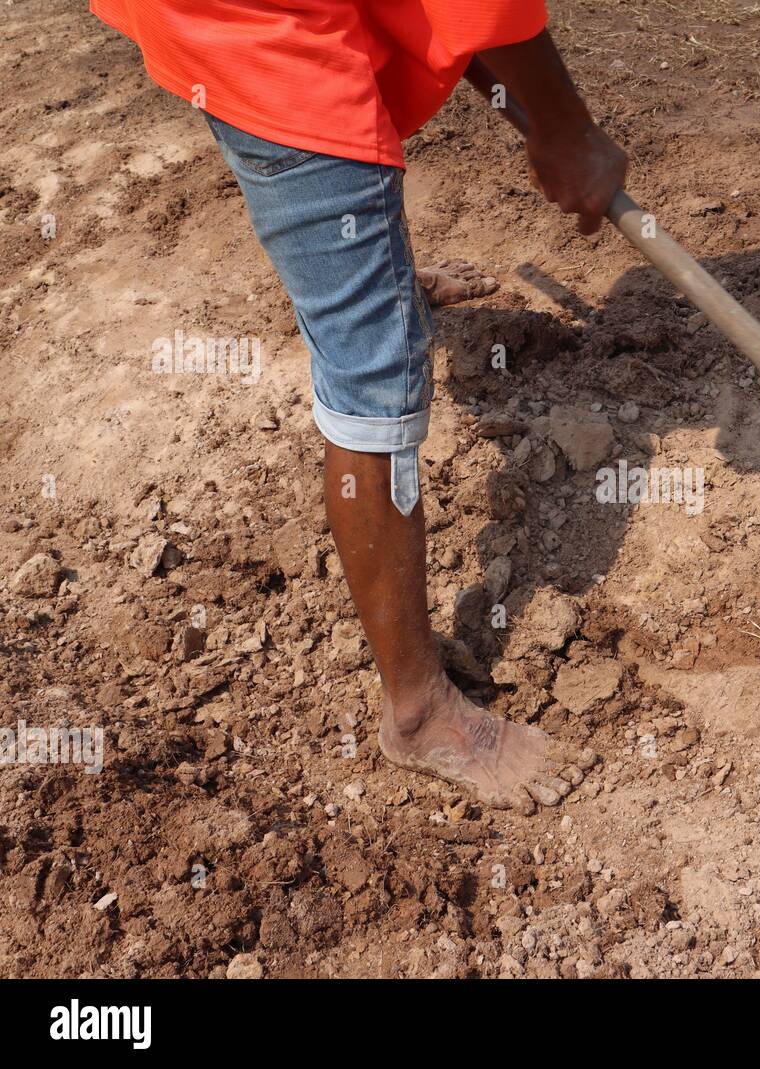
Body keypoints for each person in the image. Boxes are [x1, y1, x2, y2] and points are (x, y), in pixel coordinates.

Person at [92, 1, 628, 812]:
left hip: (217, 19)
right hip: (268, 42)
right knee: (373, 378)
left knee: (357, 251)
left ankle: (363, 275)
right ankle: (419, 712)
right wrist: (565, 126)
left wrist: (507, 83)